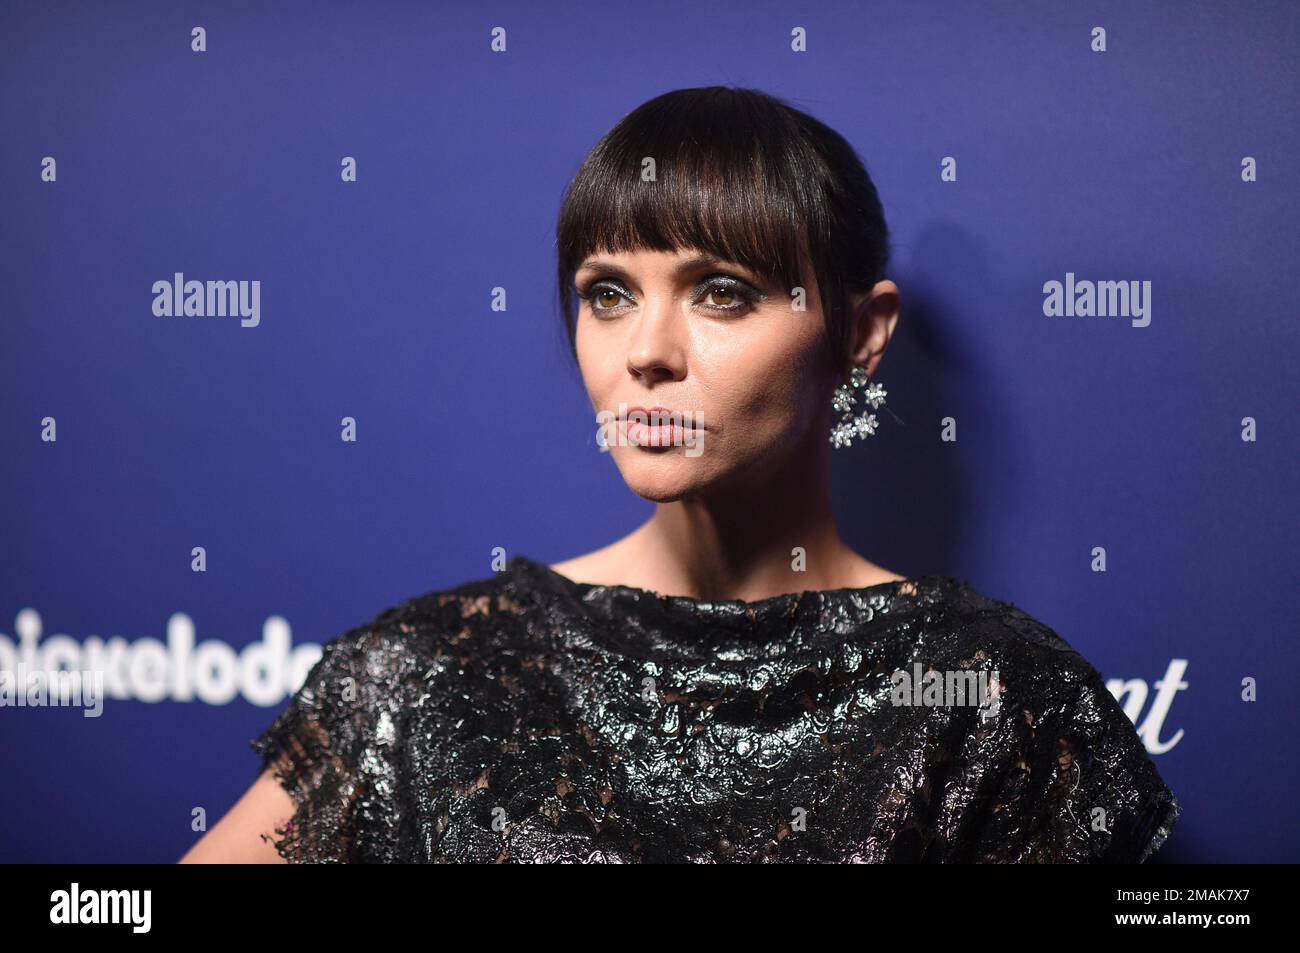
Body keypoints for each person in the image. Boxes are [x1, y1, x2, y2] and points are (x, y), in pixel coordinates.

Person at [180, 86, 1178, 864]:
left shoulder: (992, 694)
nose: (645, 350)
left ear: (861, 333)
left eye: (723, 292)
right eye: (606, 292)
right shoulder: (431, 669)